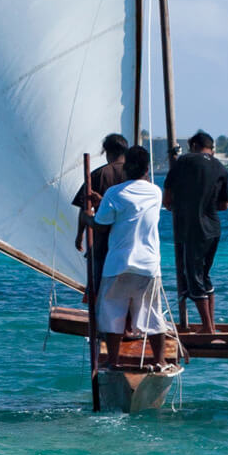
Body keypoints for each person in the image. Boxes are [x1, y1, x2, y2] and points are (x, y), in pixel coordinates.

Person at [91, 145, 168, 368]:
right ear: (147, 169)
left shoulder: (114, 193)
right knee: (153, 313)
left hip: (118, 264)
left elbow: (101, 225)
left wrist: (88, 216)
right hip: (148, 265)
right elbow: (133, 209)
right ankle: (160, 360)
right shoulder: (155, 192)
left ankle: (113, 362)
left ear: (126, 168)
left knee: (113, 312)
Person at [162, 129, 228, 333]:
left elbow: (167, 198)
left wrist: (180, 204)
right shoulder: (220, 167)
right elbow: (224, 205)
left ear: (193, 146)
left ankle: (207, 327)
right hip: (214, 228)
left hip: (194, 227)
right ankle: (211, 325)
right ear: (211, 148)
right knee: (204, 275)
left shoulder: (184, 161)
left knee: (194, 277)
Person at [72, 133, 130, 252]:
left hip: (103, 241)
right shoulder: (136, 175)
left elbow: (85, 207)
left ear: (106, 152)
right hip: (130, 240)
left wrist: (79, 235)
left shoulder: (98, 174)